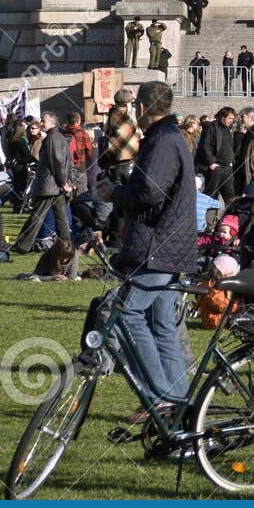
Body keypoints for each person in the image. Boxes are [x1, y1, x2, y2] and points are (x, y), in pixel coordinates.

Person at [100, 81, 197, 408]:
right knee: (162, 324)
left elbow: (149, 193)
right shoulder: (167, 137)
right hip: (168, 244)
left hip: (160, 245)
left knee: (128, 315)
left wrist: (113, 193)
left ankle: (159, 397)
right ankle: (175, 402)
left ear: (141, 107)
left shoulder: (163, 141)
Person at [14, 112, 74, 254]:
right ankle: (67, 244)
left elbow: (57, 161)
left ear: (52, 123)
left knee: (37, 216)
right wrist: (63, 182)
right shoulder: (56, 137)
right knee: (61, 218)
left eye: (44, 121)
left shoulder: (52, 137)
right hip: (54, 185)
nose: (41, 123)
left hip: (50, 184)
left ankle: (22, 245)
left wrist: (62, 181)